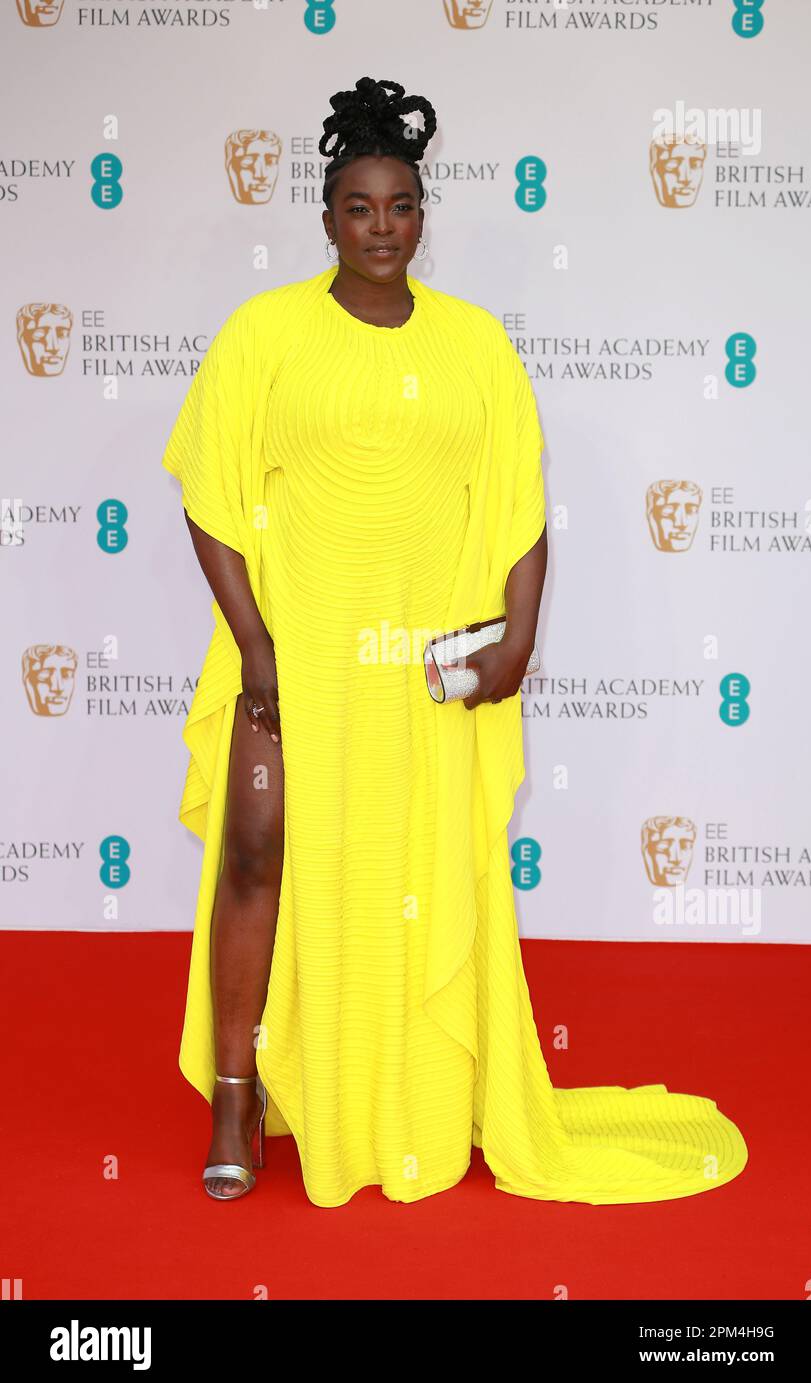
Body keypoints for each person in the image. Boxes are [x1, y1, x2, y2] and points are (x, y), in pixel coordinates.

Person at [162, 76, 748, 1207]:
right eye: (357, 206)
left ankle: (410, 1097)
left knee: (409, 876)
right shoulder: (263, 333)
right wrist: (259, 649)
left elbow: (518, 507)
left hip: (422, 670)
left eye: (400, 206)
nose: (381, 227)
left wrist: (516, 642)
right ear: (324, 217)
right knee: (253, 855)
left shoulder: (476, 345)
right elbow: (209, 497)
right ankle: (238, 1091)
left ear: (422, 214)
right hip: (295, 652)